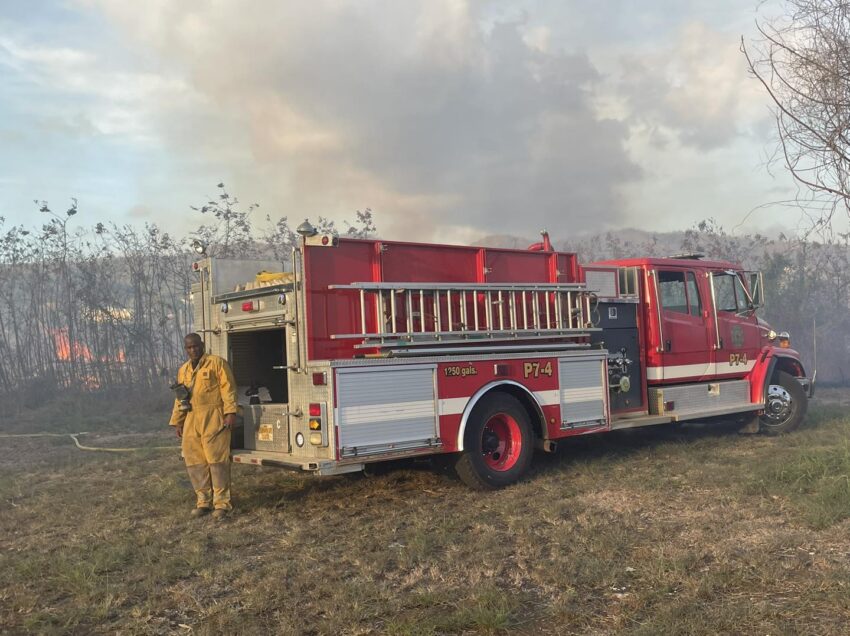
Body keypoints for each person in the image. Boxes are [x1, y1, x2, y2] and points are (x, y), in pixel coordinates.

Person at [169, 333, 238, 520]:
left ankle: (222, 503)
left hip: (213, 417)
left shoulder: (216, 363)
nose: (193, 350)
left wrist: (230, 412)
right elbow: (180, 398)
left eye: (196, 346)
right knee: (195, 461)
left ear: (202, 345)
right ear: (186, 349)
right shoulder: (183, 370)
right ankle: (203, 502)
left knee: (216, 461)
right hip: (191, 419)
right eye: (189, 347)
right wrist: (178, 421)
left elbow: (228, 388)